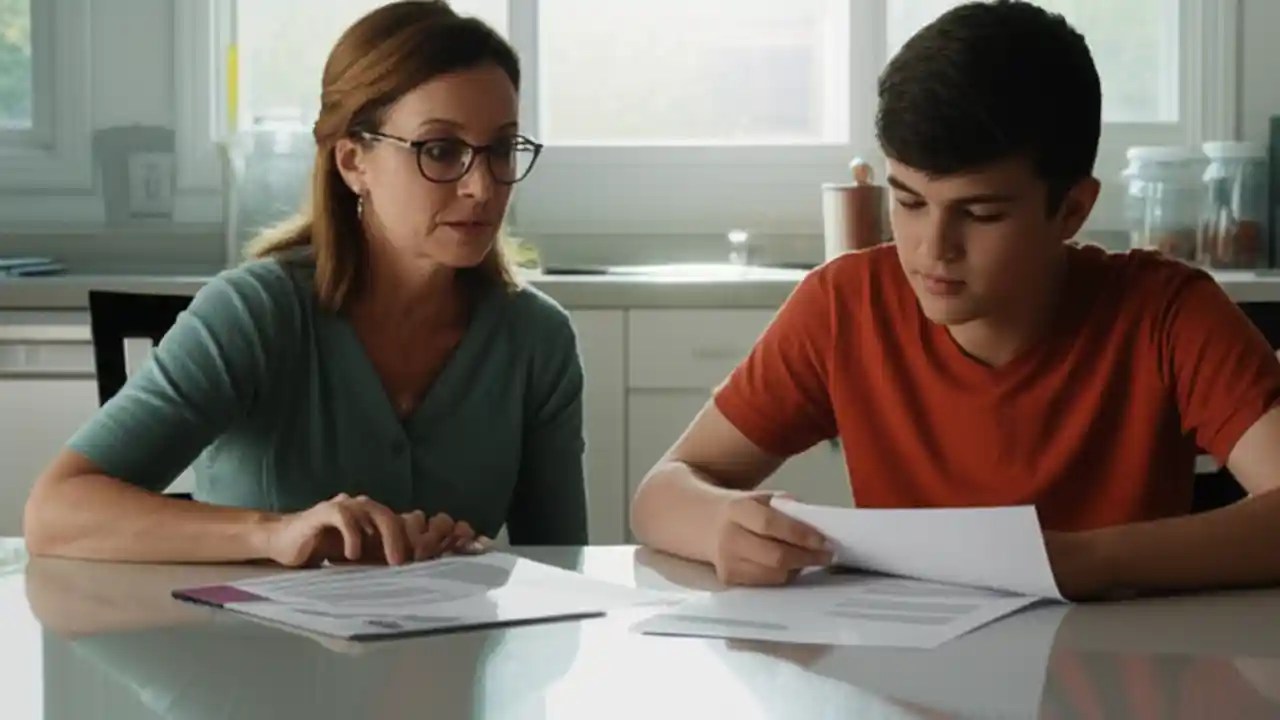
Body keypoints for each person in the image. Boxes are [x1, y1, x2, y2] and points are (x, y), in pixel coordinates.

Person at [630, 0, 1280, 599]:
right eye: (908, 202)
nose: (931, 248)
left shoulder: (1167, 313)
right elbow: (662, 492)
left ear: (1073, 209)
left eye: (981, 213)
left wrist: (1076, 563)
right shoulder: (843, 307)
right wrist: (720, 525)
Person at [23, 0, 587, 566]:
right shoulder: (255, 313)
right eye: (440, 150)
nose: (482, 188)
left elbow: (565, 567)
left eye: (501, 150)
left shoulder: (537, 339)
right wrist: (276, 532)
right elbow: (56, 511)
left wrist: (474, 563)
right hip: (245, 653)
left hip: (452, 653)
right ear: (352, 162)